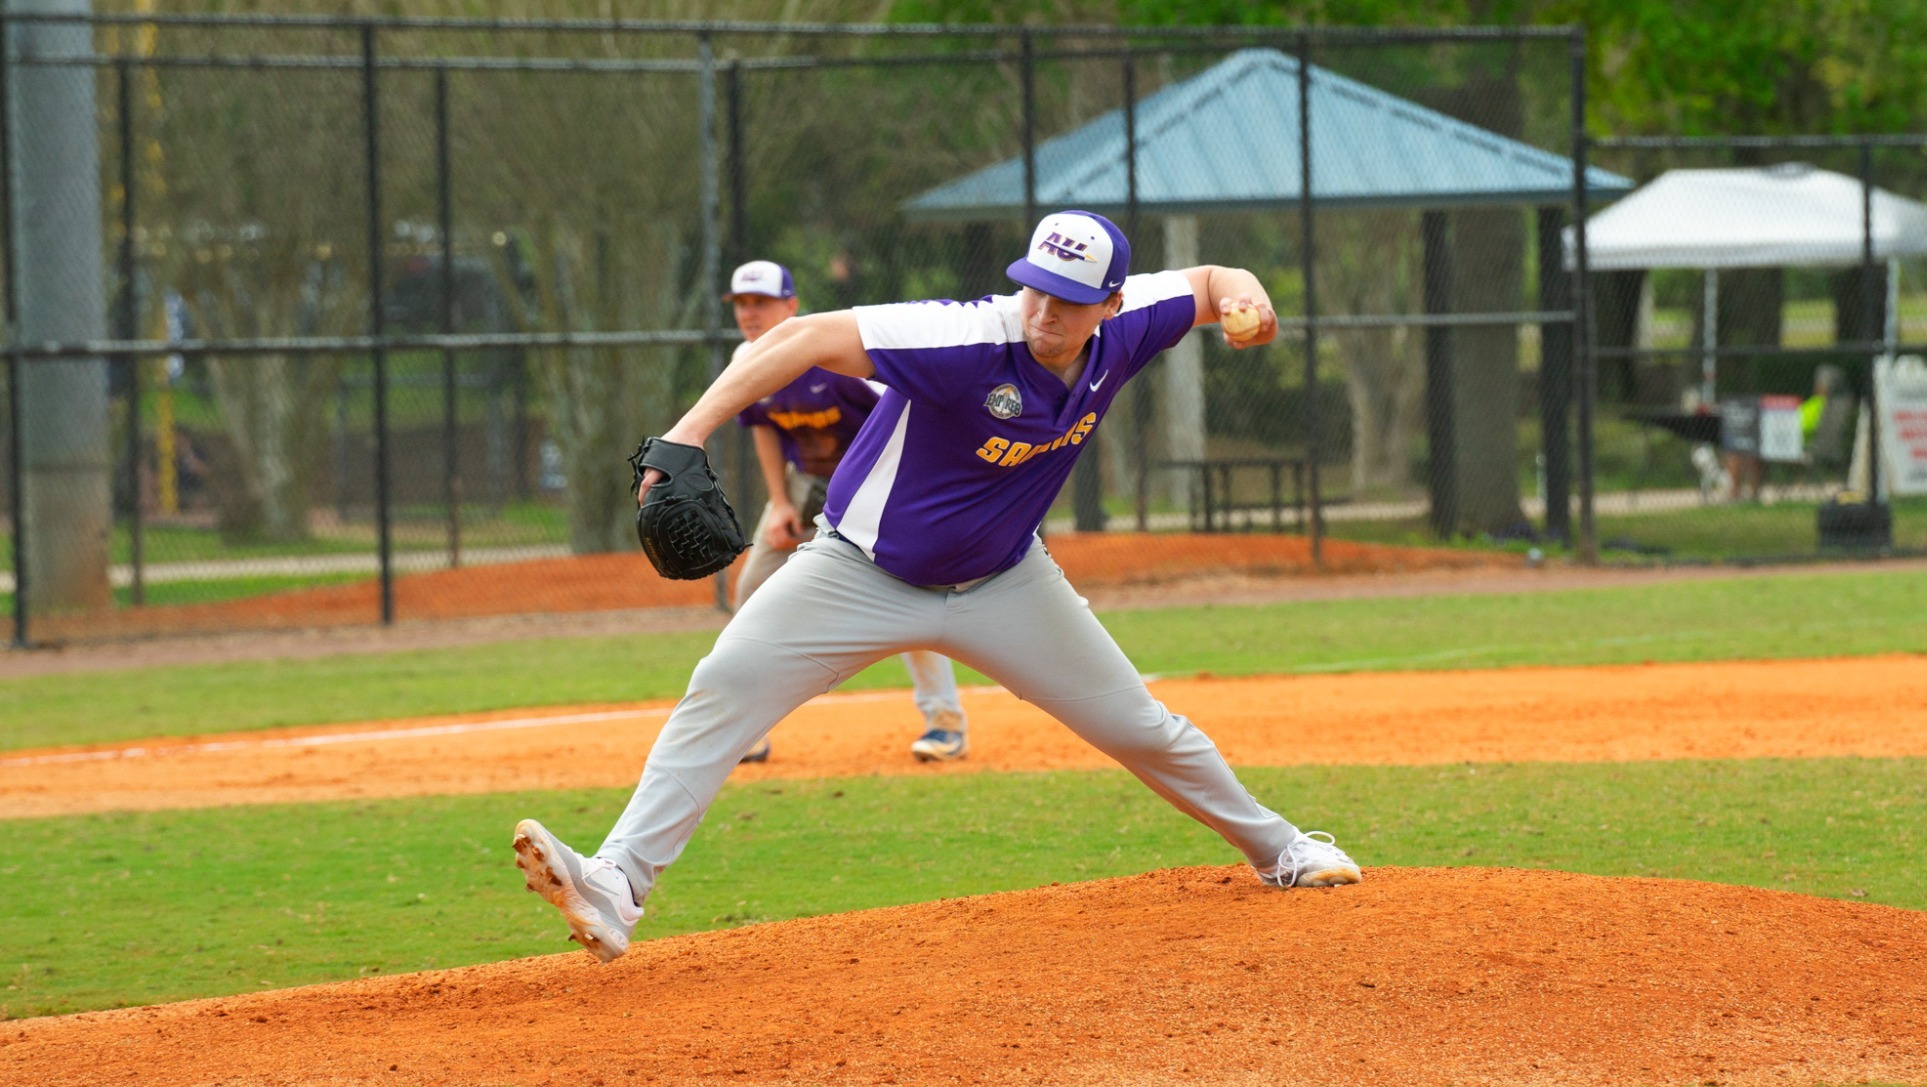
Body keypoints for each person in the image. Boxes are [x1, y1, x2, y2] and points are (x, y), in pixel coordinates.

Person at [513, 210, 1361, 963]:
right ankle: (617, 882)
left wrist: (1250, 299)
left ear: (1110, 304)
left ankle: (1279, 847)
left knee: (1137, 724)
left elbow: (1213, 282)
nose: (1044, 312)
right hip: (854, 571)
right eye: (1034, 289)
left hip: (1006, 581)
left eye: (1069, 299)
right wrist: (682, 436)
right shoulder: (961, 337)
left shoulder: (1133, 324)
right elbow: (803, 335)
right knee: (722, 688)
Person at [721, 259, 970, 764]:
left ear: (790, 306)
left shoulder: (828, 353)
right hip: (805, 483)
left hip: (879, 482)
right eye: (742, 304)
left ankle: (945, 723)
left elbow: (908, 402)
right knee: (750, 592)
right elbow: (762, 426)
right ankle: (746, 728)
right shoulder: (745, 356)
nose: (750, 313)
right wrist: (781, 503)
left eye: (761, 302)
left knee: (908, 596)